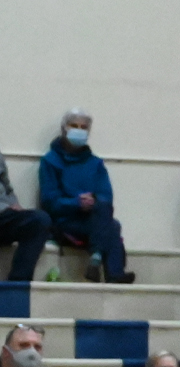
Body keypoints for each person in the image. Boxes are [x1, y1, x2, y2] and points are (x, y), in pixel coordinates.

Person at [38, 109, 132, 284]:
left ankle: (99, 260)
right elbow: (49, 201)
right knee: (112, 227)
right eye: (74, 126)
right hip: (65, 222)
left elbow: (106, 196)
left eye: (84, 127)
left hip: (93, 218)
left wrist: (93, 201)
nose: (79, 130)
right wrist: (76, 203)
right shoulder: (50, 161)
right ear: (64, 128)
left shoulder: (95, 163)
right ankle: (112, 271)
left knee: (105, 211)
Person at [0, 155, 51, 282]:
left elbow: (7, 187)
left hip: (4, 214)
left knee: (39, 220)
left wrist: (13, 203)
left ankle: (18, 286)